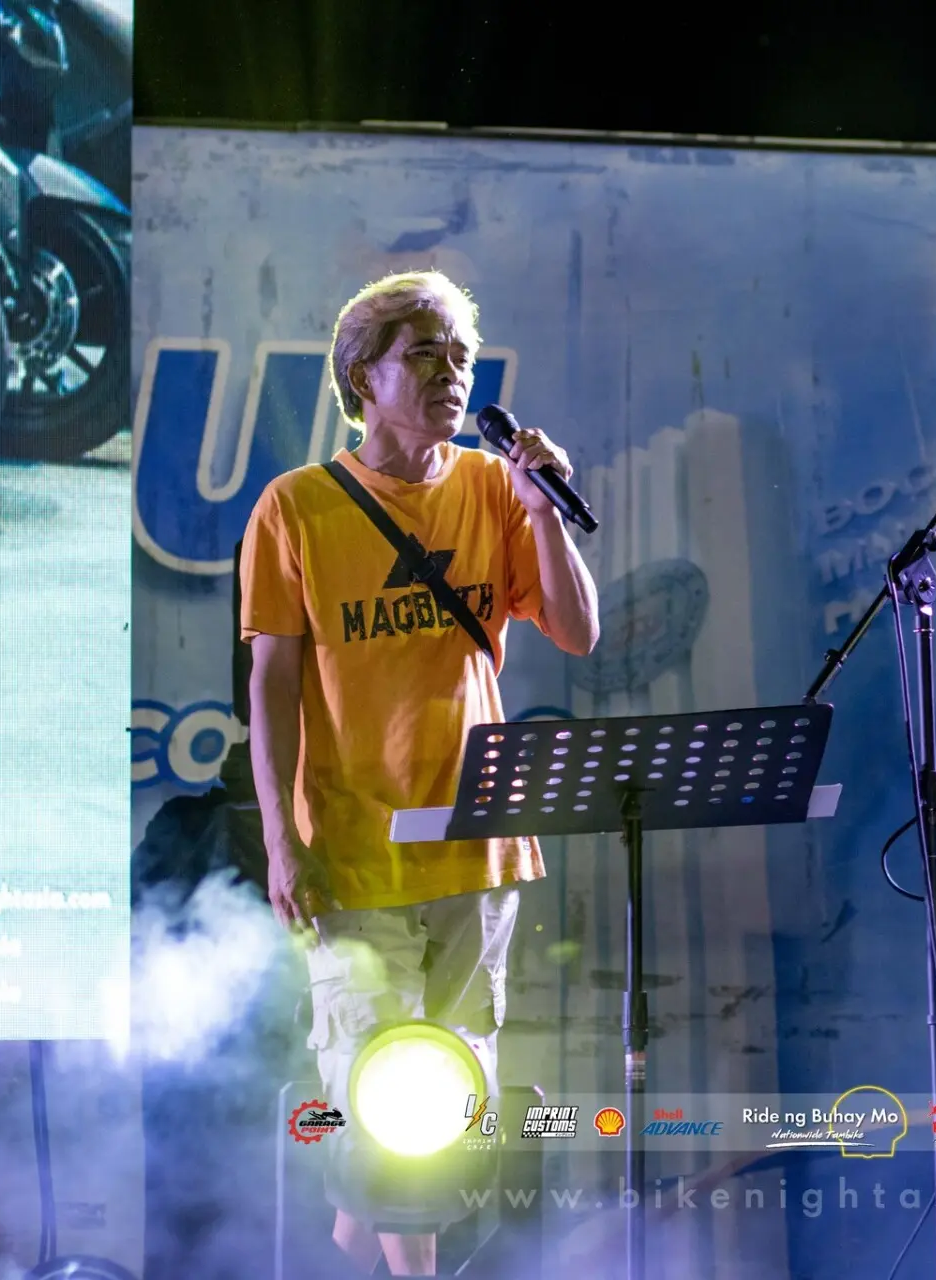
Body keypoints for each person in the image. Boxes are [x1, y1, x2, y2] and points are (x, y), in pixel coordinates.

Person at [240, 270, 599, 1277]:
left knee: (447, 1103)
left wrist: (542, 510)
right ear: (364, 373)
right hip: (353, 851)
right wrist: (282, 837)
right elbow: (271, 687)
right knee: (387, 1086)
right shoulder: (297, 507)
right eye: (426, 352)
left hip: (478, 848)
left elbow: (576, 630)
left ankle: (353, 1241)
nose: (454, 372)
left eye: (463, 356)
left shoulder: (493, 489)